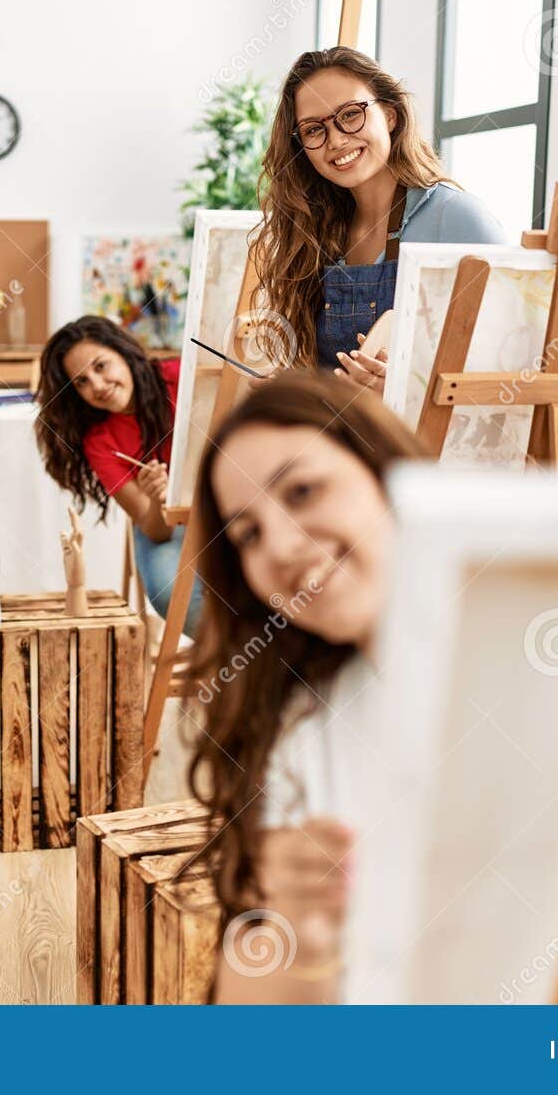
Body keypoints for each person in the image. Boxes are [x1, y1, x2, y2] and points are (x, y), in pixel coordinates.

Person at [184, 371, 424, 1003]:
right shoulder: (299, 727)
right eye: (248, 534)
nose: (284, 545)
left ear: (389, 475)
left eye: (303, 490)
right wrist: (292, 920)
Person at [256, 46, 508, 391]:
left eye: (350, 114)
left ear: (390, 115)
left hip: (415, 445)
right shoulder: (317, 231)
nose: (337, 140)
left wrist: (407, 389)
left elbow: (504, 374)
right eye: (314, 130)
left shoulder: (457, 220)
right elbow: (333, 375)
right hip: (340, 442)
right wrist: (302, 387)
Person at [34, 316, 202, 636]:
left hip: (229, 506)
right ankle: (241, 662)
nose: (97, 386)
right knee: (170, 589)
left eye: (100, 366)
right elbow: (155, 531)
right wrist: (157, 499)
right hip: (171, 525)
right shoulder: (99, 441)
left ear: (123, 352)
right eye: (81, 382)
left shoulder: (180, 376)